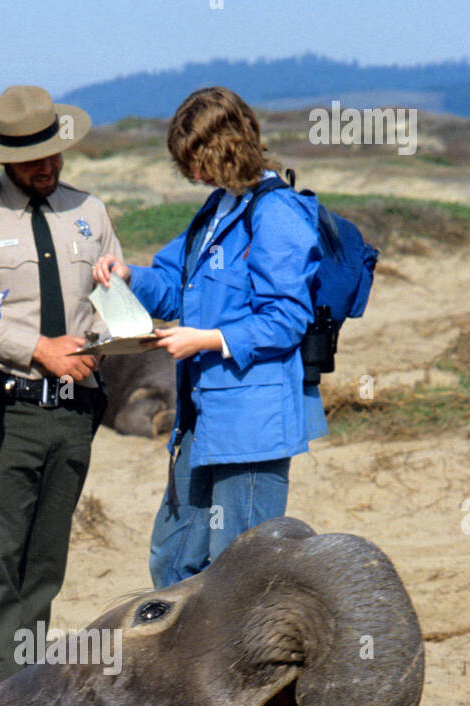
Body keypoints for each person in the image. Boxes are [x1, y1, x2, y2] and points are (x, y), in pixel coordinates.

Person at [94, 86, 327, 588]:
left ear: (226, 149)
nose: (194, 174)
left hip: (251, 425)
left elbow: (286, 317)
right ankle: (182, 665)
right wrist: (129, 276)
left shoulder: (277, 214)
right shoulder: (216, 210)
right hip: (201, 417)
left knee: (240, 573)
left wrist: (206, 340)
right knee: (173, 556)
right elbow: (172, 287)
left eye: (199, 161)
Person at [0, 85, 119, 687]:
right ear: (2, 156)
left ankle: (21, 700)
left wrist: (113, 314)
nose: (46, 166)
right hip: (2, 413)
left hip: (72, 415)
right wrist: (38, 349)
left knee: (44, 567)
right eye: (31, 158)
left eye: (53, 153)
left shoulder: (90, 211)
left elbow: (109, 304)